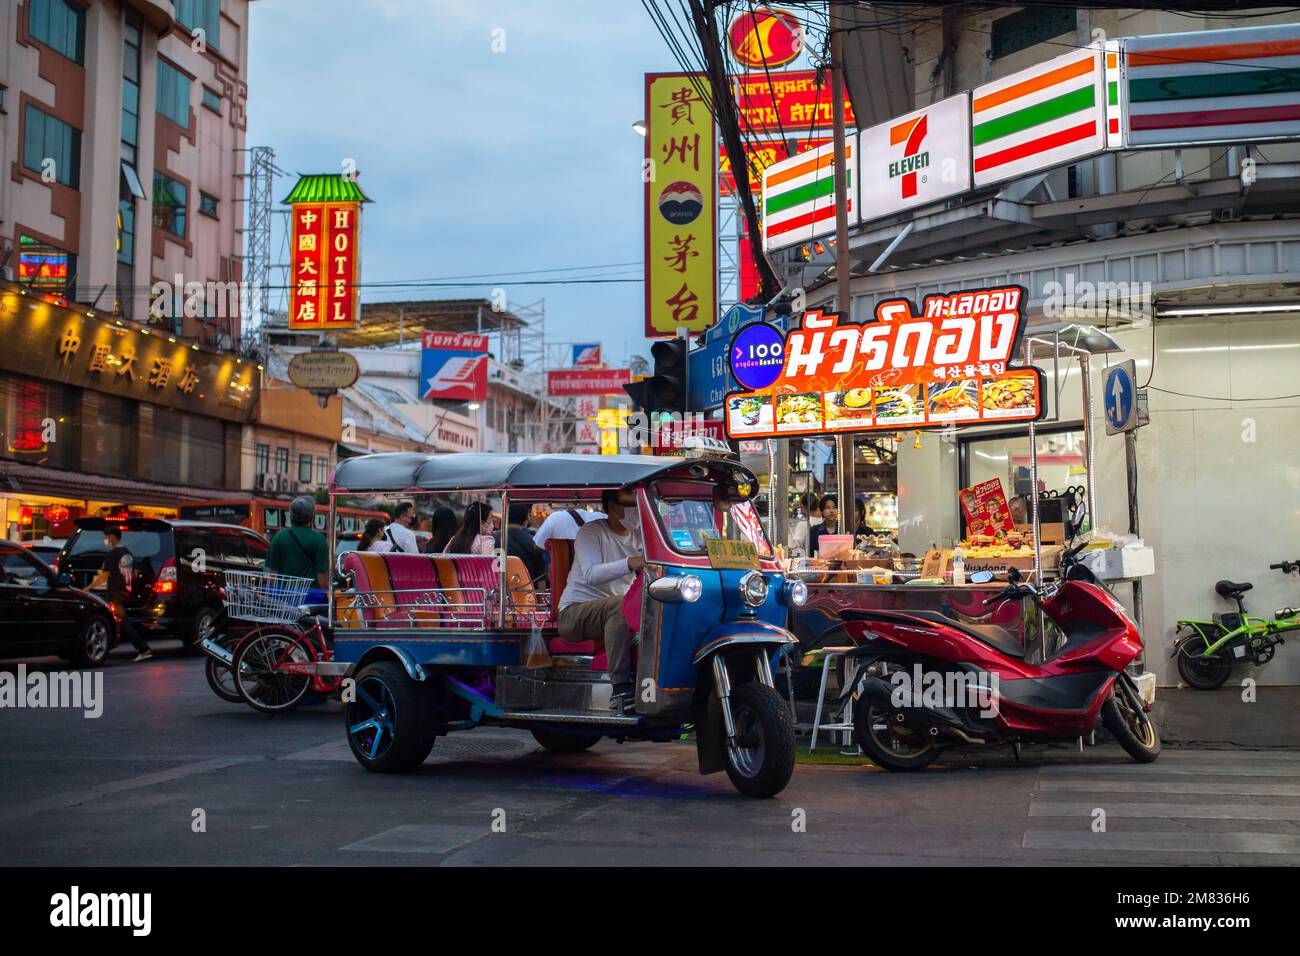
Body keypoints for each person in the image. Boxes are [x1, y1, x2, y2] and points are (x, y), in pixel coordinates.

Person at [557, 488, 642, 706]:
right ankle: (621, 687)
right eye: (629, 505)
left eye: (637, 504)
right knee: (620, 605)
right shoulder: (591, 532)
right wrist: (629, 563)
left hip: (618, 613)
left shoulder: (640, 536)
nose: (635, 510)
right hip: (575, 613)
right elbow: (591, 574)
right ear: (612, 508)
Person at [87, 526, 152, 662]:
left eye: (106, 537)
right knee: (118, 621)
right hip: (125, 591)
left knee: (121, 621)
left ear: (112, 537)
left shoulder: (113, 554)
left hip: (115, 592)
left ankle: (143, 649)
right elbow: (134, 574)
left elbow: (104, 576)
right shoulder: (127, 552)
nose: (105, 540)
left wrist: (87, 588)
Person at [266, 495, 329, 591]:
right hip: (310, 597)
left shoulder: (279, 537)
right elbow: (322, 576)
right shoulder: (319, 540)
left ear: (291, 515)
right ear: (312, 516)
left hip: (284, 596)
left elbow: (273, 573)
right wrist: (327, 594)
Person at [497, 502, 546, 583]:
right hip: (526, 591)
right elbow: (540, 578)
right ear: (525, 518)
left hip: (496, 591)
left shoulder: (492, 539)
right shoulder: (533, 542)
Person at [533, 504, 604, 550]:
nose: (550, 505)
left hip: (564, 571)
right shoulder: (604, 517)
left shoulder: (555, 518)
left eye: (550, 504)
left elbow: (537, 548)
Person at [808, 493, 840, 558]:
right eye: (828, 508)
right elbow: (811, 554)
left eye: (834, 508)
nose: (831, 511)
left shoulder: (842, 529)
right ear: (822, 511)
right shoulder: (814, 530)